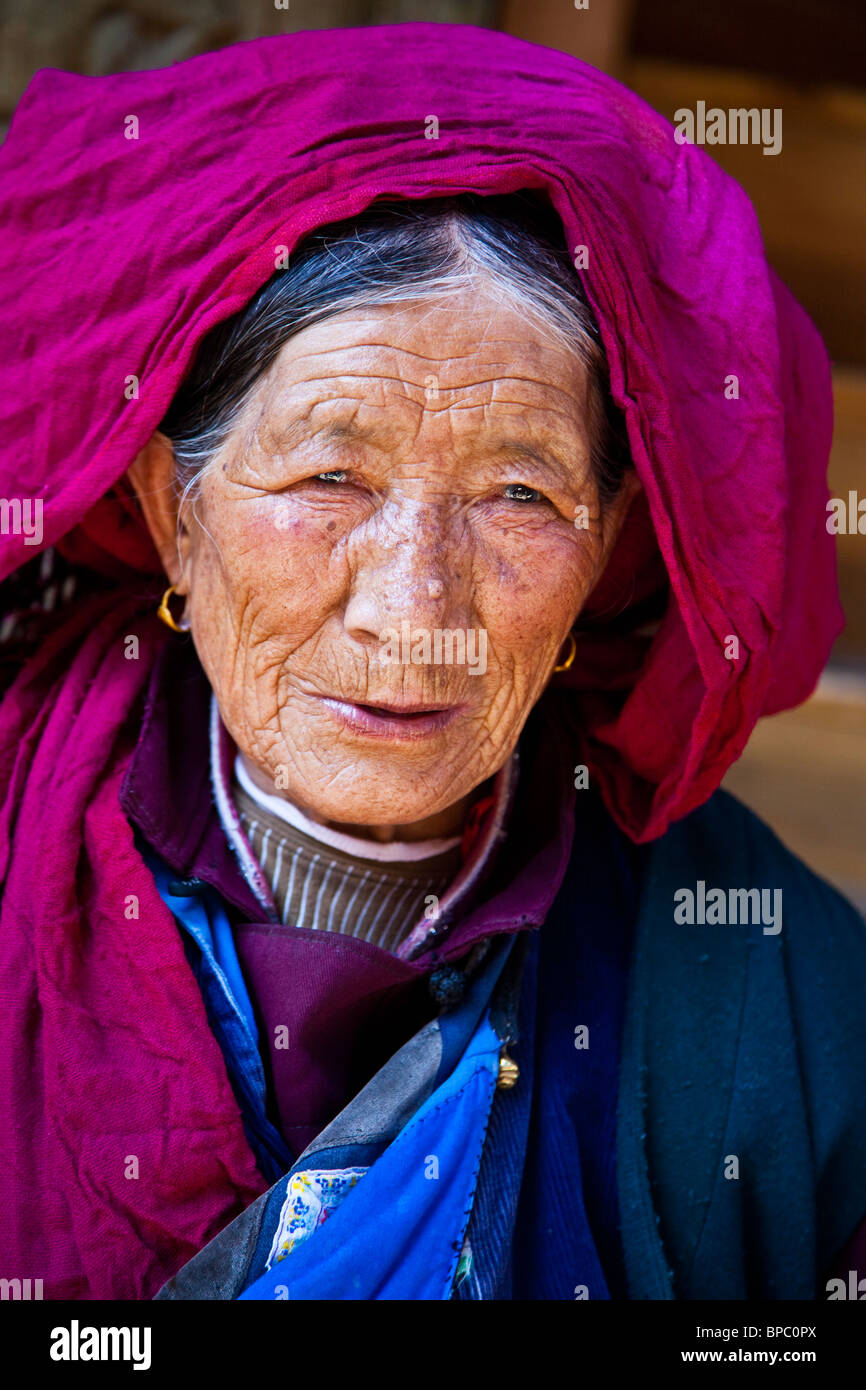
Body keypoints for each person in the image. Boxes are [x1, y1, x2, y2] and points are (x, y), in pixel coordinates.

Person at [1, 22, 864, 1302]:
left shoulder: (772, 992)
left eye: (519, 495)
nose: (417, 610)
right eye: (328, 476)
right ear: (173, 509)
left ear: (612, 547)